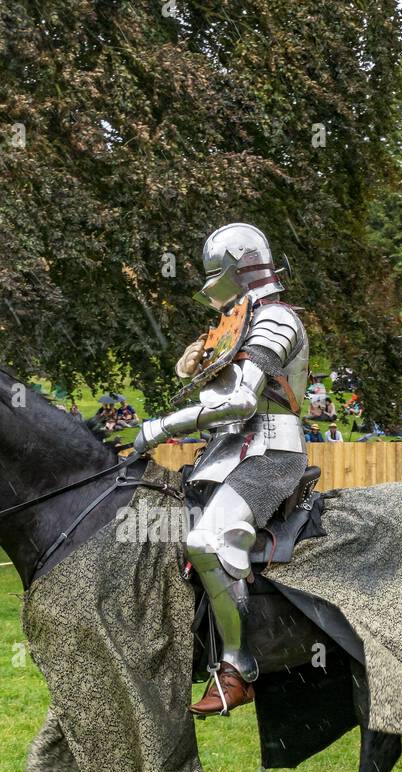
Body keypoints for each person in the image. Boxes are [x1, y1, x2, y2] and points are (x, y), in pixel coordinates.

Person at [132, 222, 308, 716]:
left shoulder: (276, 320)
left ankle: (237, 667)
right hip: (225, 453)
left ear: (235, 272)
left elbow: (241, 400)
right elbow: (214, 389)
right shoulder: (241, 320)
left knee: (208, 541)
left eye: (216, 277)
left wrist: (162, 427)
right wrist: (194, 363)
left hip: (270, 453)